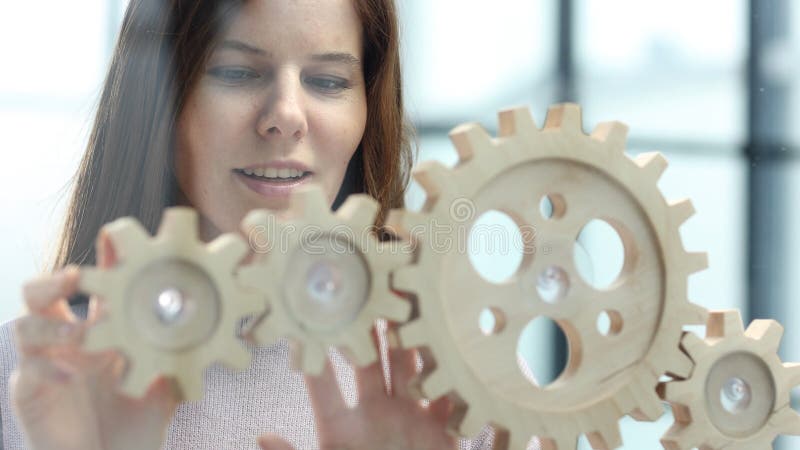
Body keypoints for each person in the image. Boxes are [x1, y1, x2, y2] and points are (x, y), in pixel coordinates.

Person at [0, 1, 494, 449]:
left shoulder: (459, 374)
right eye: (236, 72)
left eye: (326, 81)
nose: (285, 116)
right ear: (157, 99)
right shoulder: (35, 380)